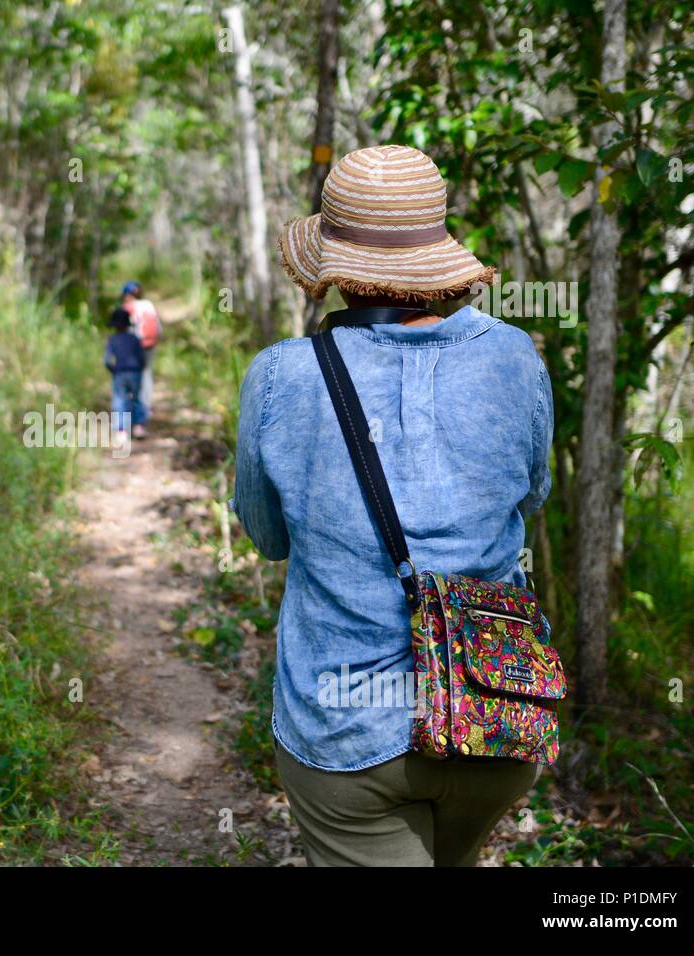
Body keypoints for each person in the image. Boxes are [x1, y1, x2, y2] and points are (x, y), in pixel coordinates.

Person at [232, 145, 554, 867]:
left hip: (348, 734)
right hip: (492, 714)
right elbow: (530, 496)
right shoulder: (516, 359)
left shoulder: (283, 375)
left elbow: (267, 535)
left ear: (335, 266)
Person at [104, 307, 147, 441]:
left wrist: (113, 370)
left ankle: (121, 430)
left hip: (120, 373)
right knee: (136, 399)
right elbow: (143, 358)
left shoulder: (112, 340)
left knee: (119, 400)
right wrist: (140, 369)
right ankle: (138, 426)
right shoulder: (135, 339)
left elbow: (107, 360)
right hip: (135, 372)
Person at [121, 282, 160, 421]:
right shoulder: (148, 304)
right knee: (146, 373)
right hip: (150, 344)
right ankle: (145, 406)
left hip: (133, 346)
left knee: (132, 376)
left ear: (126, 295)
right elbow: (158, 328)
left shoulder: (126, 308)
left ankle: (132, 408)